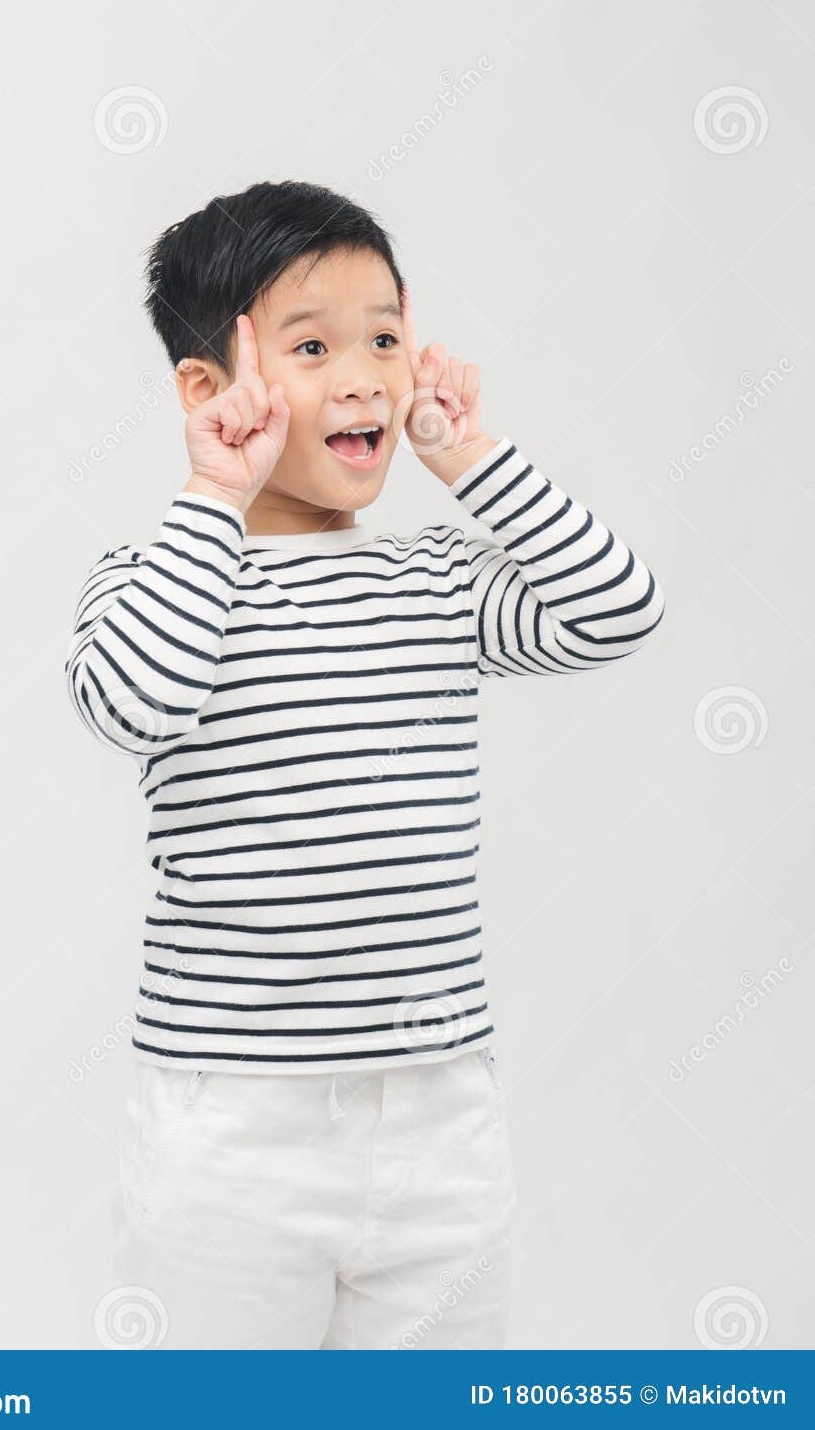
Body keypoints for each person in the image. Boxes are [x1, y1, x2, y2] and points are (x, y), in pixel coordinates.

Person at [64, 180, 665, 1349]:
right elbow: (134, 700)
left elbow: (616, 610)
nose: (363, 376)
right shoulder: (156, 579)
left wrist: (471, 455)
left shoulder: (434, 581)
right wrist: (214, 494)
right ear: (207, 385)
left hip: (438, 1116)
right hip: (233, 1126)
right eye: (311, 345)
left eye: (385, 338)